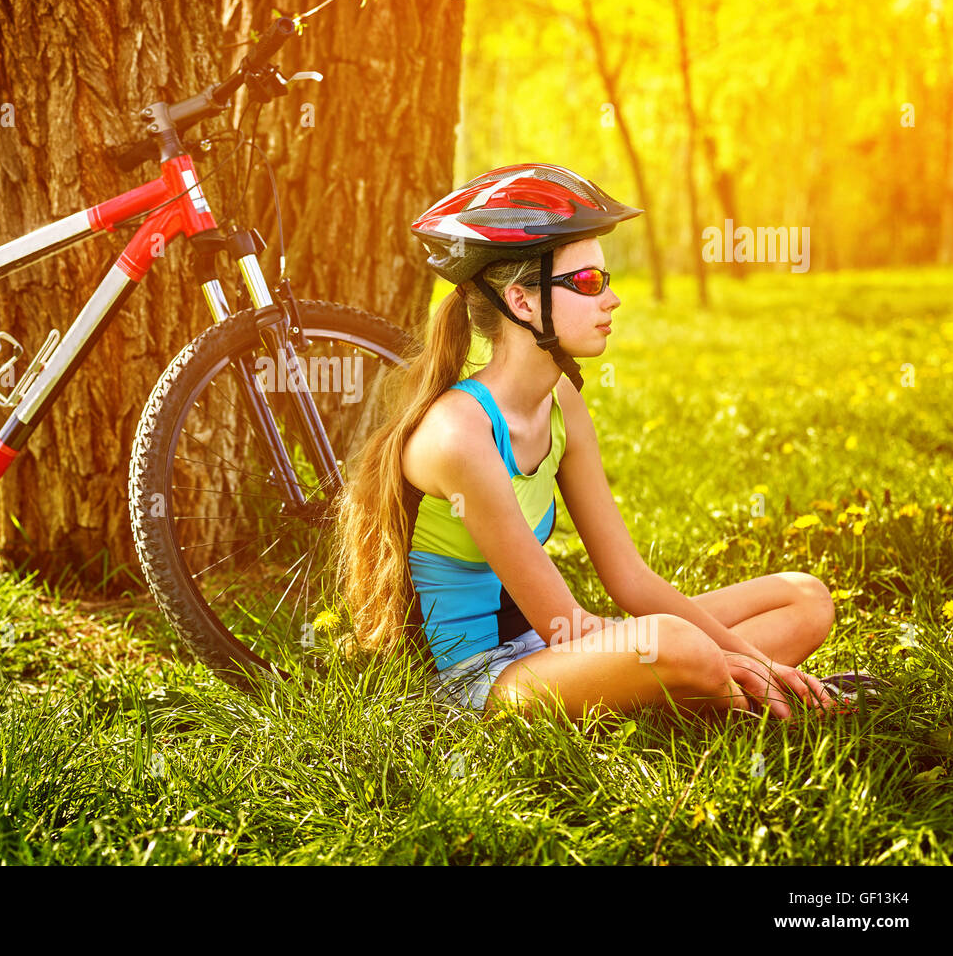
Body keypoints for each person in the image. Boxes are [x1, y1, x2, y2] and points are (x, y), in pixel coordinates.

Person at [332, 163, 837, 721]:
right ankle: (718, 695)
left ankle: (716, 688)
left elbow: (630, 580)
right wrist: (707, 652)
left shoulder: (561, 404)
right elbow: (562, 622)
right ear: (523, 303)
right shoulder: (459, 435)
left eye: (608, 279)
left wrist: (751, 660)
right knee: (675, 643)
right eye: (590, 283)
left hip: (554, 653)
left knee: (804, 598)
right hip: (486, 682)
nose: (612, 300)